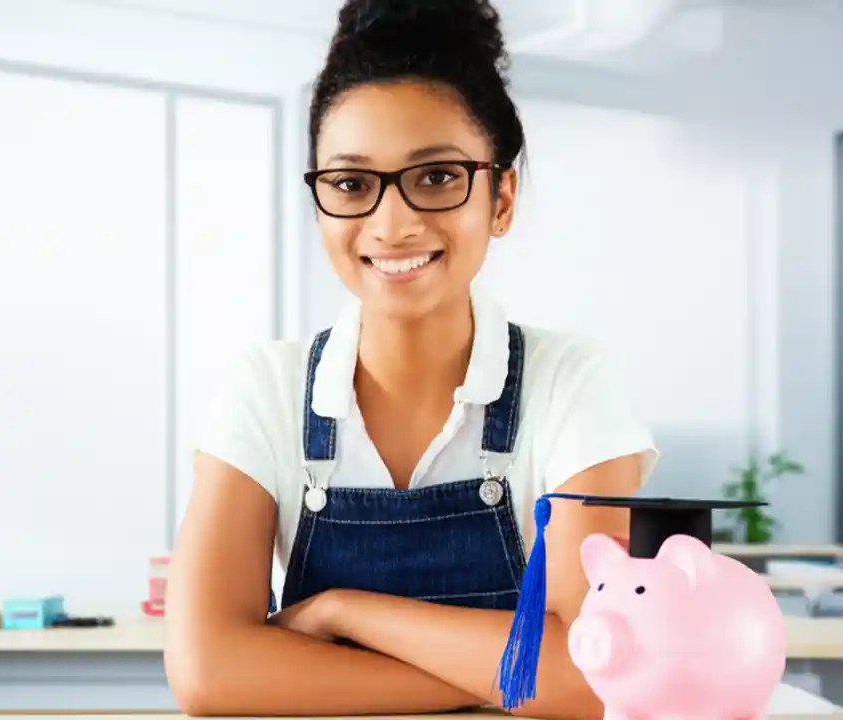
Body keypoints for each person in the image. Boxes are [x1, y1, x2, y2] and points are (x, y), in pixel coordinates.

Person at [165, 0, 658, 716]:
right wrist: (517, 676)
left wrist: (343, 612)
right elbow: (208, 673)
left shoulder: (570, 383)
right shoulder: (266, 390)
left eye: (436, 177)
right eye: (351, 184)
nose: (392, 224)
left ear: (502, 198)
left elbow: (597, 675)